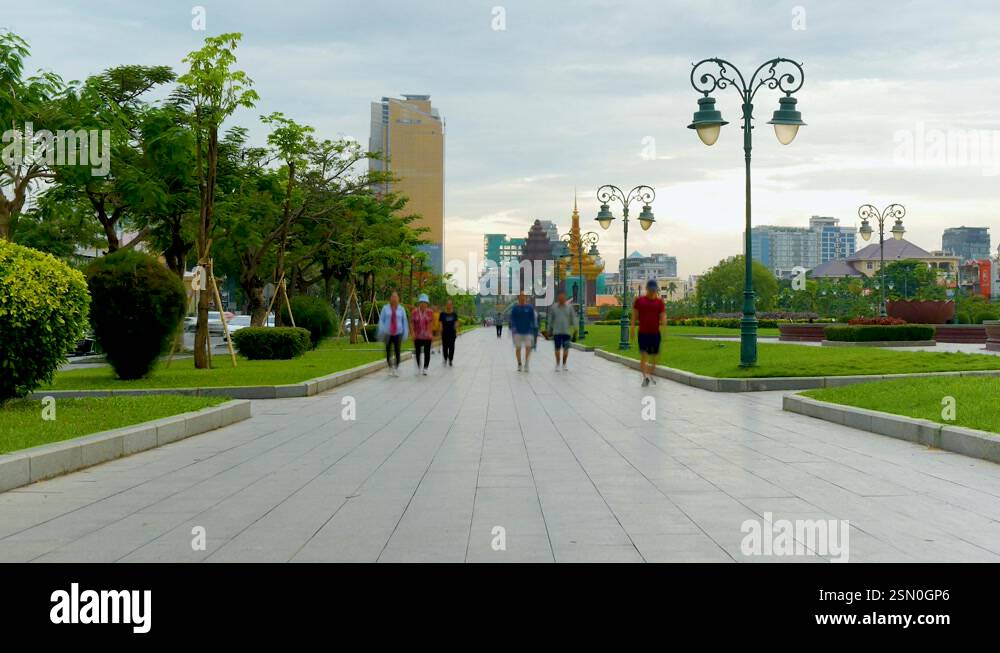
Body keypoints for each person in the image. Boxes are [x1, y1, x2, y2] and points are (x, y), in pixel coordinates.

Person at [631, 279, 667, 387]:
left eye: (654, 290)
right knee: (644, 356)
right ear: (647, 289)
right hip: (643, 333)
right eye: (650, 290)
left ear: (656, 290)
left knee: (655, 357)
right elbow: (634, 316)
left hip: (655, 333)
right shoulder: (639, 301)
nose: (652, 292)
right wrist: (632, 328)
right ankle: (645, 377)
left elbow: (663, 316)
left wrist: (664, 325)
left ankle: (649, 373)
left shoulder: (659, 302)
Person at [377, 291, 409, 376]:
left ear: (398, 299)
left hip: (398, 333)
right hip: (388, 333)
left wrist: (405, 333)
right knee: (388, 351)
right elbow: (381, 320)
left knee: (397, 350)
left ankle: (396, 367)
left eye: (396, 297)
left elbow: (404, 321)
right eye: (393, 297)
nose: (394, 299)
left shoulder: (401, 309)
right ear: (390, 298)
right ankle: (390, 367)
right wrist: (382, 329)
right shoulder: (385, 308)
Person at [548, 291, 576, 371]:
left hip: (566, 332)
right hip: (557, 332)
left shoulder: (569, 307)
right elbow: (551, 320)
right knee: (557, 349)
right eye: (560, 298)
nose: (561, 299)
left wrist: (575, 328)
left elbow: (573, 318)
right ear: (558, 298)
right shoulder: (554, 307)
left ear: (565, 298)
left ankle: (564, 364)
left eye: (563, 297)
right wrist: (549, 329)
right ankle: (557, 364)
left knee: (566, 349)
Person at [509, 292, 536, 372]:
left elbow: (533, 319)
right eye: (521, 296)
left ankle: (526, 363)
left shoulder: (530, 308)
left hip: (528, 332)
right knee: (518, 349)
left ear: (526, 297)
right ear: (518, 298)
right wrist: (513, 328)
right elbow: (512, 319)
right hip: (517, 332)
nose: (522, 298)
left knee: (528, 347)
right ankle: (519, 364)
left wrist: (533, 328)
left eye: (524, 296)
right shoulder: (515, 308)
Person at [411, 294, 434, 376]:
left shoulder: (430, 312)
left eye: (425, 302)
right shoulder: (414, 312)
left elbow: (431, 323)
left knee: (427, 352)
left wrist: (430, 333)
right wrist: (412, 333)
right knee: (417, 352)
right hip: (417, 336)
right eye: (421, 302)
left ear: (427, 303)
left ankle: (425, 368)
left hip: (427, 336)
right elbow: (412, 323)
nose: (423, 304)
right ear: (419, 303)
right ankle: (418, 367)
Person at [439, 299, 459, 366]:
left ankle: (450, 360)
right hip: (444, 333)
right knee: (445, 347)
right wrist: (440, 330)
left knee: (451, 347)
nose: (449, 305)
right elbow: (440, 323)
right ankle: (445, 358)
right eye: (448, 304)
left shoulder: (454, 314)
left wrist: (456, 327)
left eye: (450, 304)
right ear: (446, 305)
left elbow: (456, 322)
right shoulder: (442, 314)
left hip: (452, 333)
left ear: (452, 305)